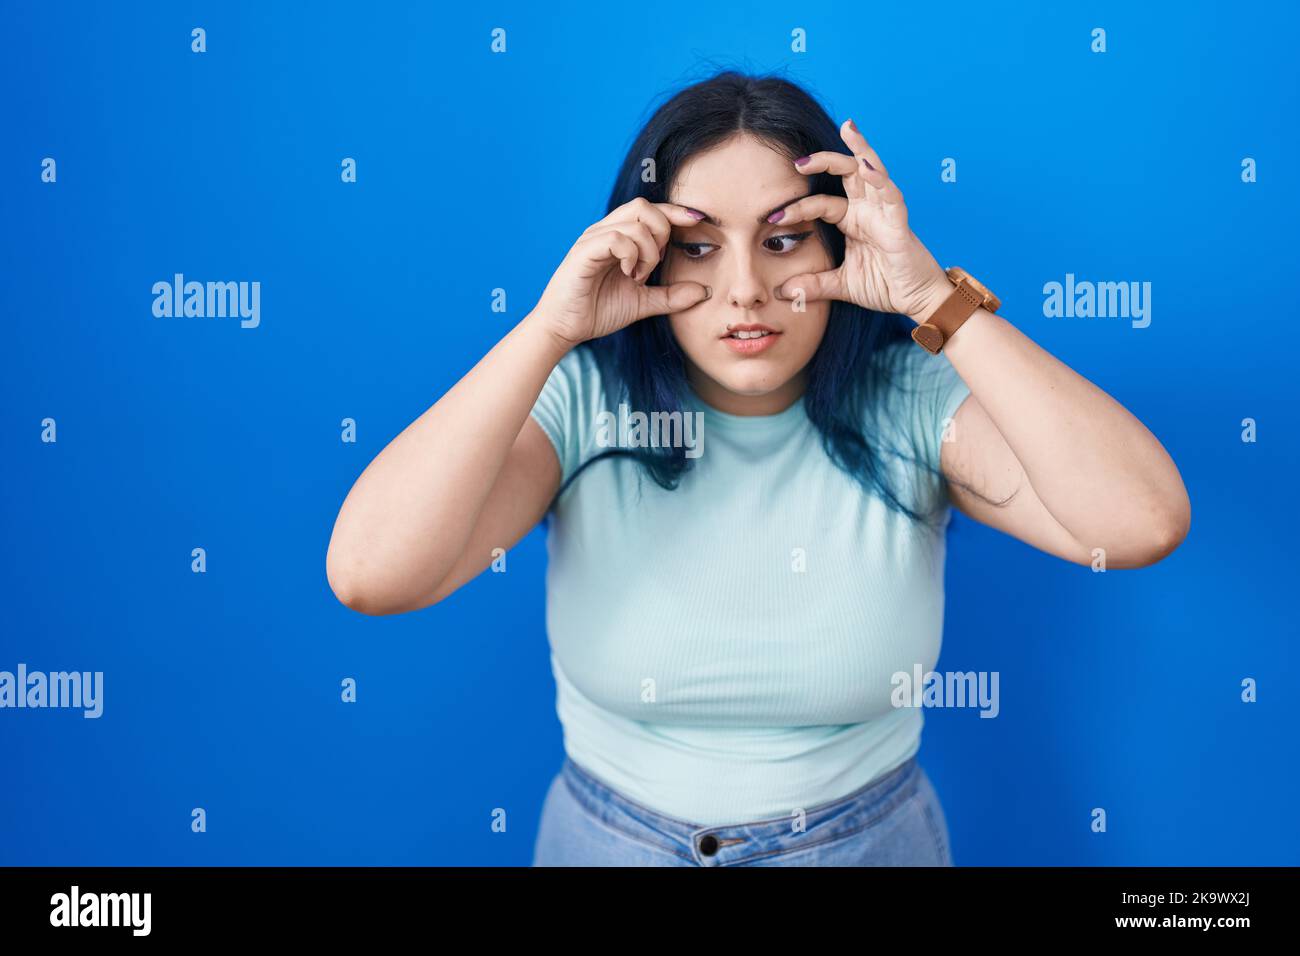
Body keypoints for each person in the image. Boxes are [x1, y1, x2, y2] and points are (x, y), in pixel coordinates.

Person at [324, 70, 1190, 866]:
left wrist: (936, 299)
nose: (745, 291)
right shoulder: (581, 402)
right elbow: (371, 577)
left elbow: (1142, 523)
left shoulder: (911, 402)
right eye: (699, 245)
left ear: (841, 245)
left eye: (784, 240)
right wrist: (548, 331)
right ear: (645, 249)